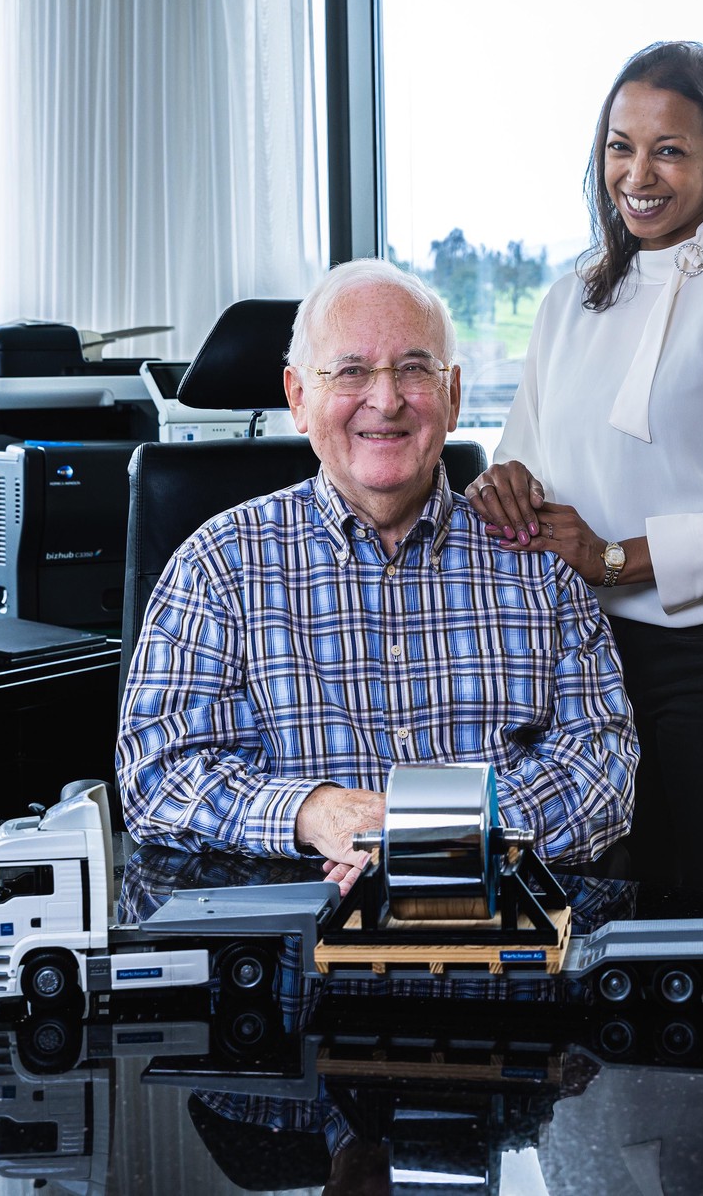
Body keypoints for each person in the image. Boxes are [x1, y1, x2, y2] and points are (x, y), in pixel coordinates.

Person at [117, 259, 639, 892]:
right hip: (295, 929)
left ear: (452, 397)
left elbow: (603, 773)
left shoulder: (536, 562)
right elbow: (156, 776)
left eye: (414, 368)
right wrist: (314, 813)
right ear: (298, 398)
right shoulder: (218, 566)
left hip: (502, 927)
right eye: (351, 371)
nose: (386, 401)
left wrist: (436, 835)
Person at [465, 40, 703, 897]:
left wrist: (612, 558)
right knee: (608, 924)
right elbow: (528, 457)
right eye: (620, 147)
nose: (639, 174)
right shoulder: (567, 300)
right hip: (589, 666)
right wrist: (501, 484)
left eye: (669, 150)